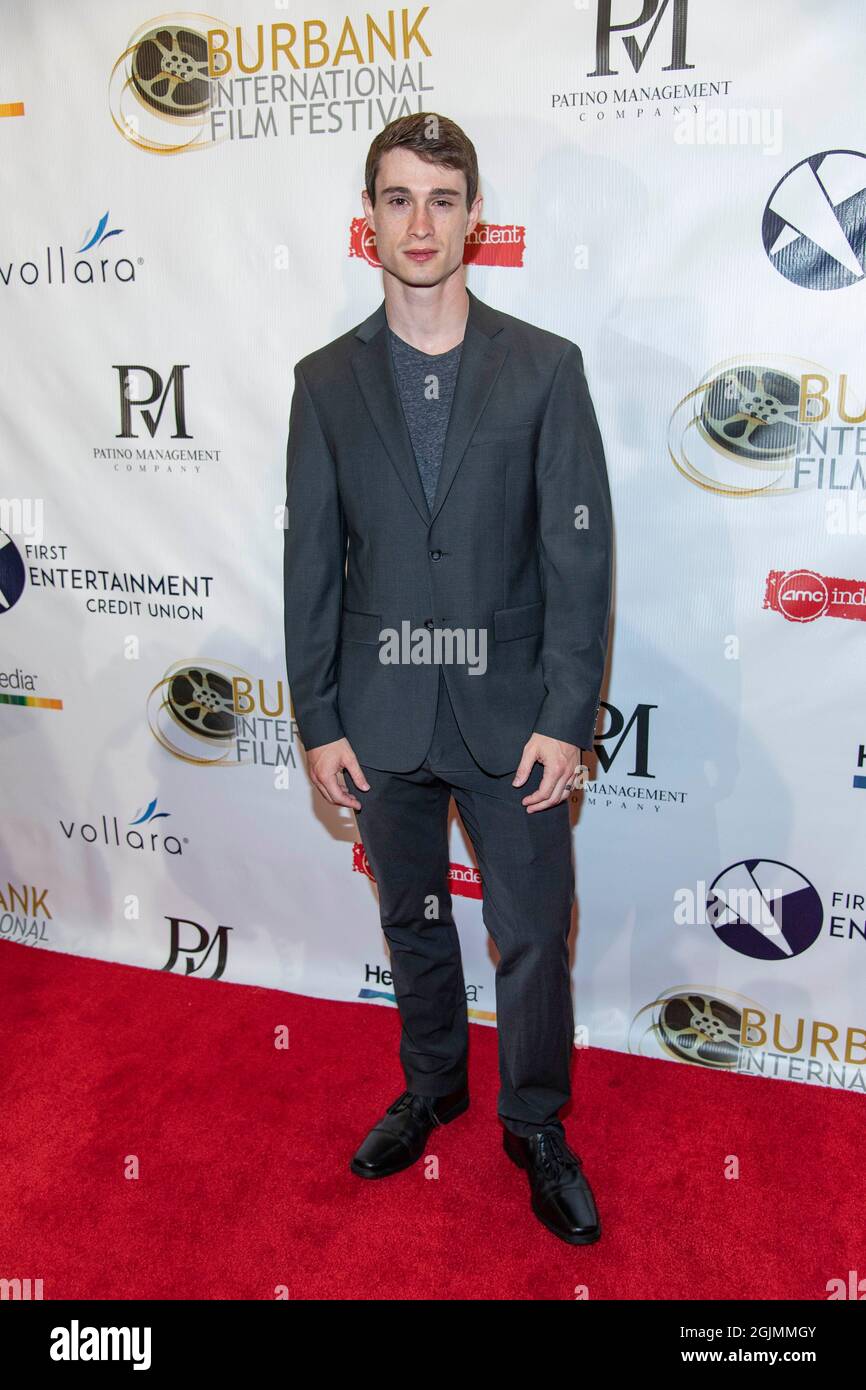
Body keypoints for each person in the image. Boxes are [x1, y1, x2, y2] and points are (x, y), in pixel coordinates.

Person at [283, 112, 613, 1245]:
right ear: (365, 219)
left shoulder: (544, 369)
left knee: (528, 932)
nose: (418, 222)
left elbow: (579, 557)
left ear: (474, 216)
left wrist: (567, 716)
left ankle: (533, 1121)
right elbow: (312, 565)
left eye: (440, 197)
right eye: (395, 197)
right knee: (412, 917)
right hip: (378, 719)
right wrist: (317, 715)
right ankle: (432, 1084)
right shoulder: (322, 382)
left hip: (512, 716)